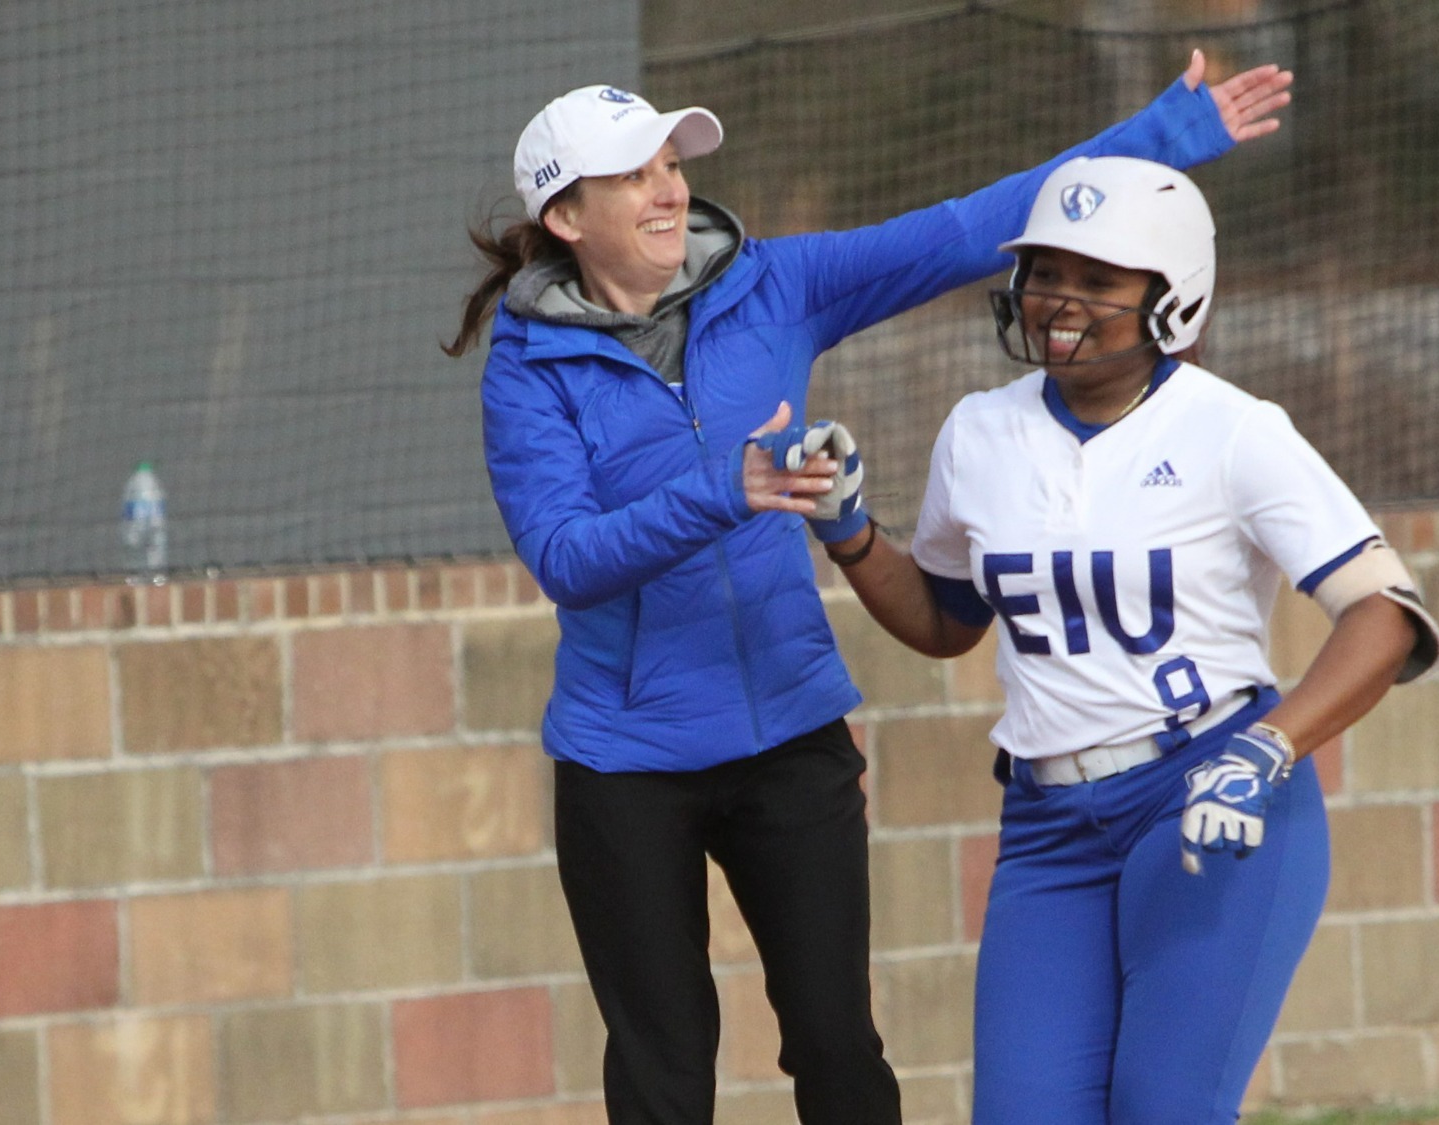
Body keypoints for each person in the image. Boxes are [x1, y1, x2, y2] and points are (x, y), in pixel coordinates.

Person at [443, 57, 1295, 1125]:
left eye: (670, 165)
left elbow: (962, 228)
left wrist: (1167, 132)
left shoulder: (771, 285)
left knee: (838, 1048)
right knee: (663, 1069)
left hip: (792, 735)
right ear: (565, 215)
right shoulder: (528, 368)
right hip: (625, 764)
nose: (667, 190)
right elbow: (563, 556)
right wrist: (726, 489)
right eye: (634, 178)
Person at [822, 155, 1439, 1124]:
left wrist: (1267, 745)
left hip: (1207, 789)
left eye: (1098, 281)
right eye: (1043, 273)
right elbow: (948, 621)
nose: (1057, 302)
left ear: (1175, 300)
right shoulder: (978, 430)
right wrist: (849, 533)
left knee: (1162, 1108)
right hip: (1044, 825)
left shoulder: (1233, 429)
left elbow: (1384, 615)